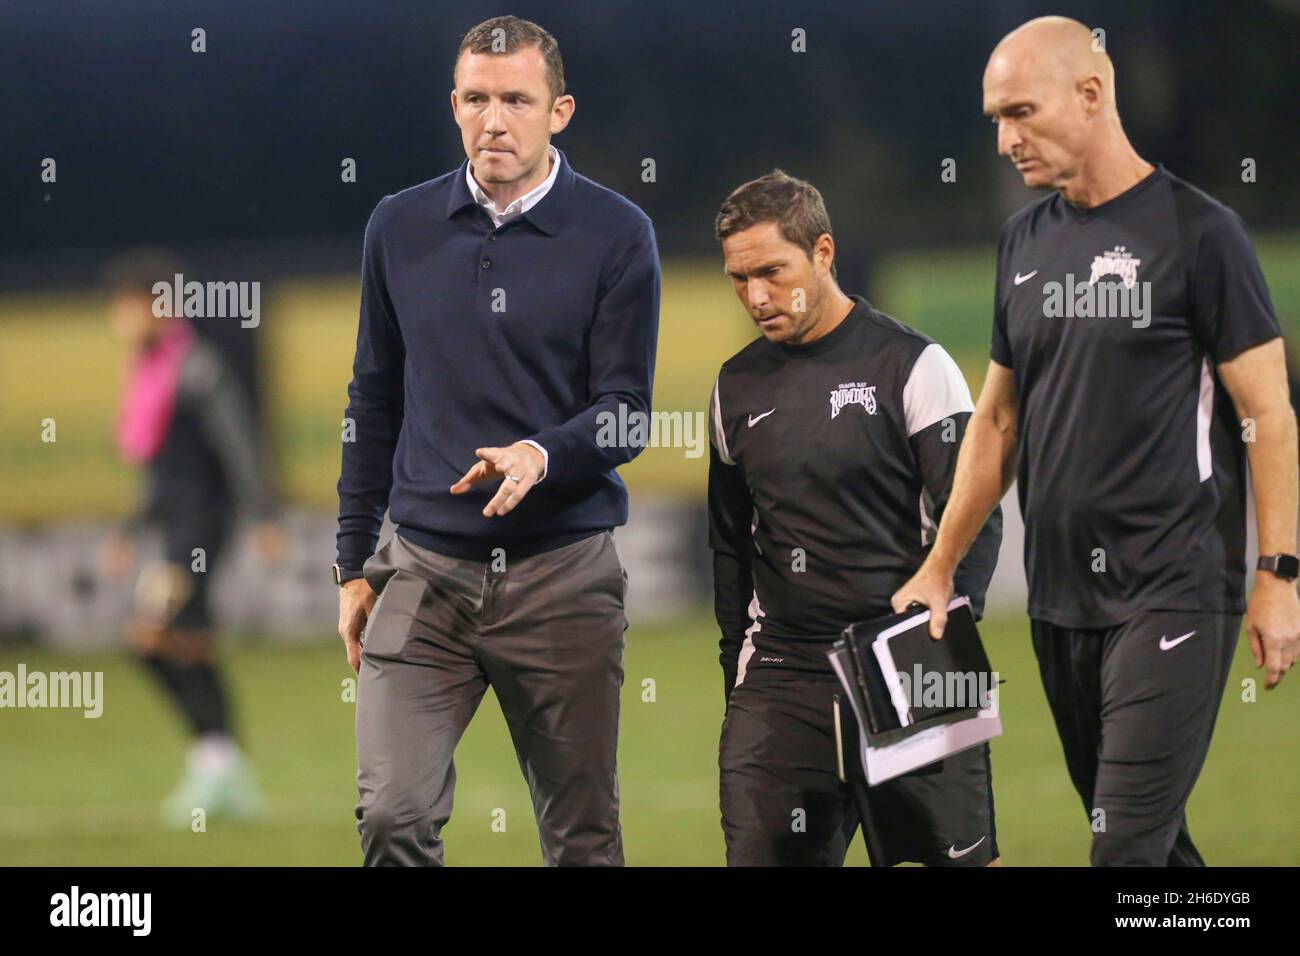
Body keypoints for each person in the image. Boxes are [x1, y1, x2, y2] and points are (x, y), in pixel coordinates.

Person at [893, 16, 1300, 866]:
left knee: (1121, 854)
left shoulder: (1202, 234)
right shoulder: (1023, 243)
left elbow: (1269, 415)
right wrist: (938, 565)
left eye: (1020, 112)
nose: (1005, 140)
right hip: (1061, 601)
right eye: (995, 120)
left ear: (1091, 93)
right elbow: (998, 421)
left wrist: (1280, 575)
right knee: (1151, 849)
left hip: (1176, 588)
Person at [335, 15, 659, 866]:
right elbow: (371, 401)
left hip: (561, 576)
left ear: (560, 111)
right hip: (423, 574)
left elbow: (629, 412)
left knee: (582, 842)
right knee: (392, 818)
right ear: (454, 105)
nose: (494, 119)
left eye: (517, 99)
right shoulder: (398, 227)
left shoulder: (617, 233)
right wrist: (347, 565)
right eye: (476, 99)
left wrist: (541, 452)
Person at [708, 170, 1003, 866]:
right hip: (784, 675)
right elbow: (729, 545)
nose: (755, 296)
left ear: (824, 253)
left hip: (910, 662)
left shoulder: (914, 365)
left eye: (773, 272)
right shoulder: (735, 385)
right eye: (738, 278)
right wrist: (738, 679)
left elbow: (975, 515)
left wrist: (939, 642)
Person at [100, 249, 282, 827]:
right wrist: (131, 531)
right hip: (176, 528)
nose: (118, 319)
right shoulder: (152, 368)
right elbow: (163, 471)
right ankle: (223, 769)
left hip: (201, 530)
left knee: (150, 636)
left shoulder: (198, 366)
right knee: (188, 643)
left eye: (126, 306)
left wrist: (263, 515)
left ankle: (216, 763)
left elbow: (239, 445)